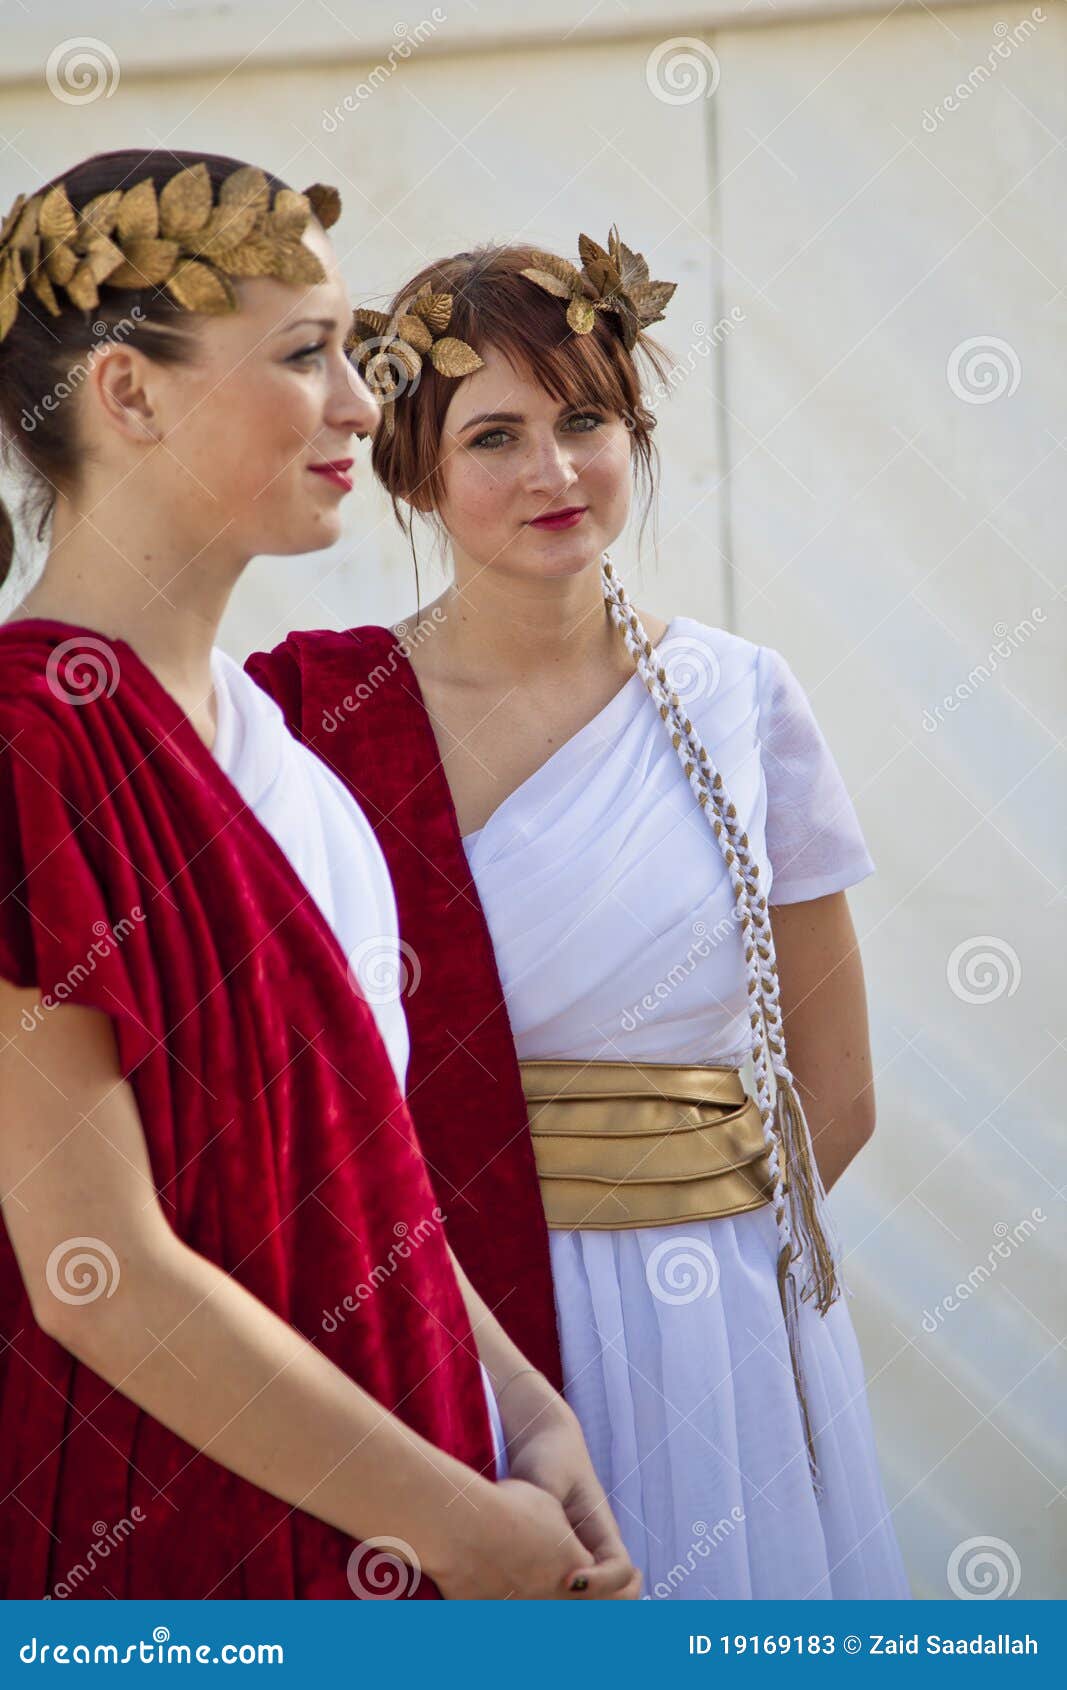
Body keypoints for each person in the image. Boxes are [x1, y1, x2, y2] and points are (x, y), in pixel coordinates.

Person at [0, 152, 639, 1601]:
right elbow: (98, 1270)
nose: (362, 402)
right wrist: (465, 1529)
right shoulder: (29, 744)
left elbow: (369, 1185)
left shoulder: (282, 755)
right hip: (172, 1549)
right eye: (309, 354)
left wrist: (528, 1413)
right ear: (129, 393)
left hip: (397, 1517)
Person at [247, 228, 912, 1599]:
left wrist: (685, 1276)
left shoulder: (744, 699)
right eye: (495, 435)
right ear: (417, 467)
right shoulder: (315, 720)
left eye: (587, 418)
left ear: (635, 432)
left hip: (712, 1317)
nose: (553, 471)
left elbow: (834, 1094)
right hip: (443, 1315)